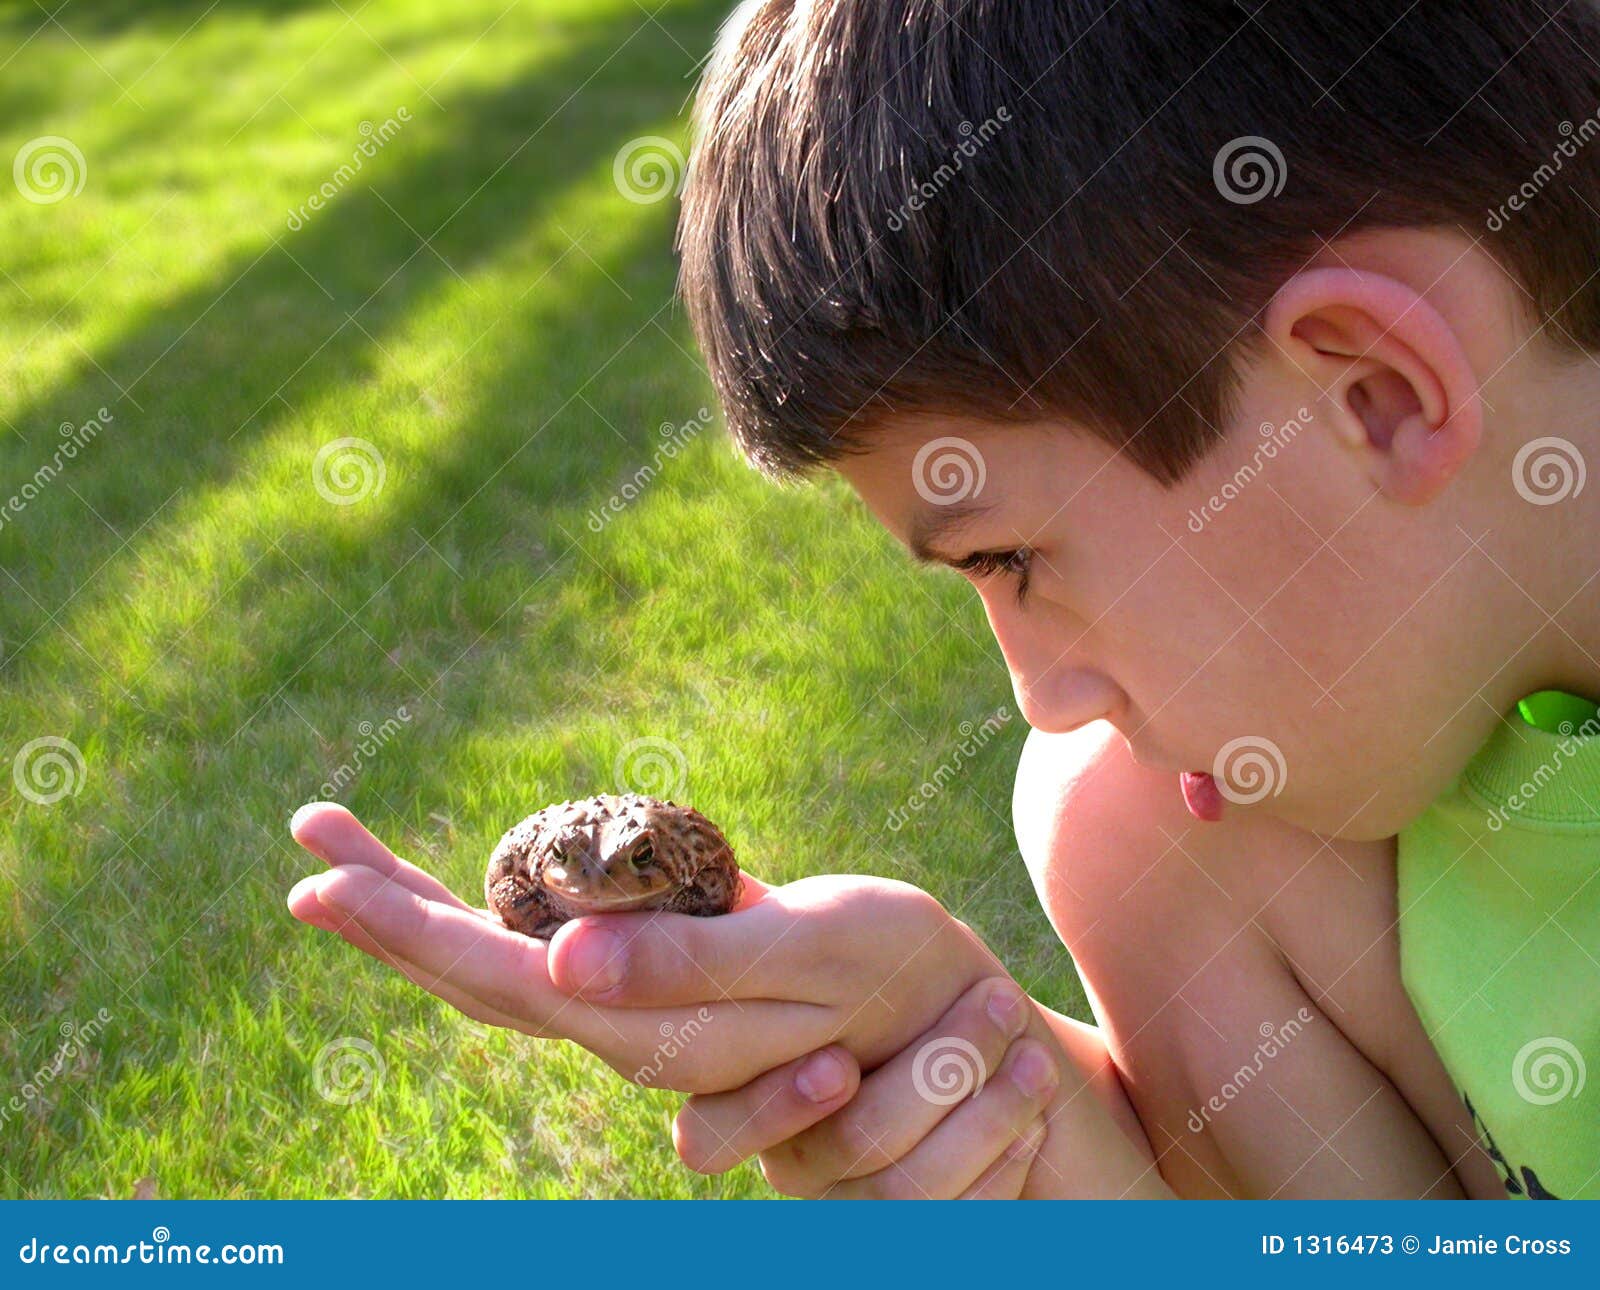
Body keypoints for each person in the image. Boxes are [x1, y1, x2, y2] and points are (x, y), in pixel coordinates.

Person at [288, 1, 1600, 1197]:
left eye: (1010, 557)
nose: (1039, 688)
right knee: (1108, 811)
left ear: (1373, 391)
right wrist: (998, 1099)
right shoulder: (1185, 836)